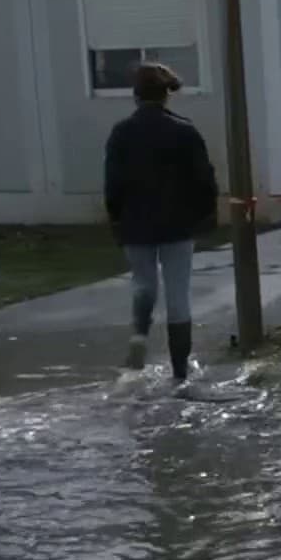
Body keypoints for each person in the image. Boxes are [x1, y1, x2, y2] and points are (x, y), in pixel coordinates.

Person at [103, 62, 218, 382]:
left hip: (136, 223)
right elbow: (204, 179)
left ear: (135, 95)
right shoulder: (184, 130)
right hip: (178, 224)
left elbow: (112, 182)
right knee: (178, 294)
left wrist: (116, 219)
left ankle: (139, 335)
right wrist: (206, 214)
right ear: (167, 95)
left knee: (143, 283)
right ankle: (180, 370)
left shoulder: (121, 132)